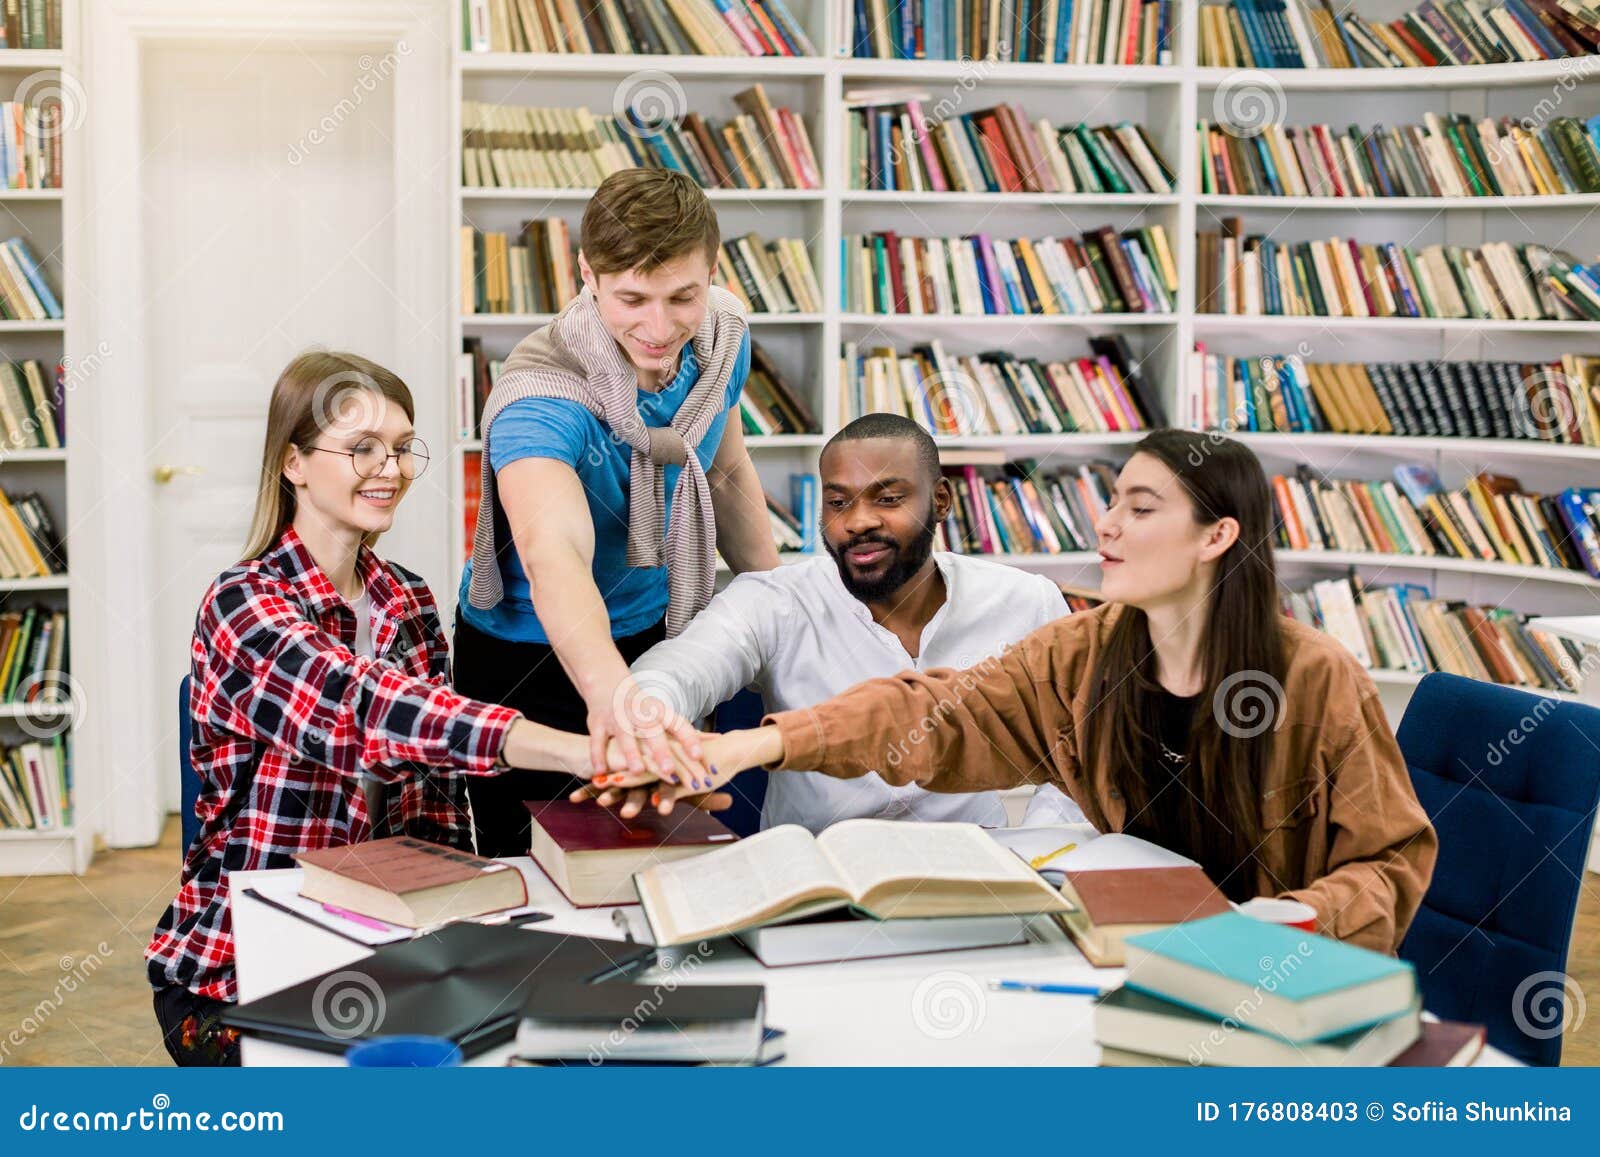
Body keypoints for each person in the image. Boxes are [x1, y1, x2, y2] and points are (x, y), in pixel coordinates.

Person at [588, 429, 1439, 955]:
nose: (1104, 524)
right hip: (1135, 957)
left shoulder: (1316, 678)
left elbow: (1392, 862)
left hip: (1273, 984)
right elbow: (933, 710)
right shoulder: (1086, 650)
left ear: (1218, 535)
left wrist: (1283, 923)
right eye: (1111, 501)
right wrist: (752, 744)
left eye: (1139, 508)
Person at [146, 351, 720, 1067]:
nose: (389, 468)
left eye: (399, 448)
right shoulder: (241, 602)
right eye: (361, 449)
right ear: (293, 462)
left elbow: (440, 805)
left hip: (384, 946)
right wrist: (581, 746)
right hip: (240, 971)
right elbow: (371, 712)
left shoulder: (410, 599)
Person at [454, 167, 776, 857]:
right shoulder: (540, 391)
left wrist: (784, 612)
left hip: (659, 630)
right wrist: (613, 698)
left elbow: (723, 466)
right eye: (631, 298)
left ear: (712, 274)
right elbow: (553, 554)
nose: (658, 328)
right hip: (525, 658)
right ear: (587, 275)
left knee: (661, 856)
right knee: (540, 878)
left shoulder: (721, 338)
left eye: (682, 296)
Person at [622, 412, 1083, 831]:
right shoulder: (776, 600)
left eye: (887, 498)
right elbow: (676, 670)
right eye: (838, 503)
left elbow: (1082, 742)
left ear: (941, 500)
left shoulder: (1025, 600)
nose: (858, 521)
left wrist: (1039, 851)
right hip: (817, 876)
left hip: (978, 867)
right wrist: (656, 731)